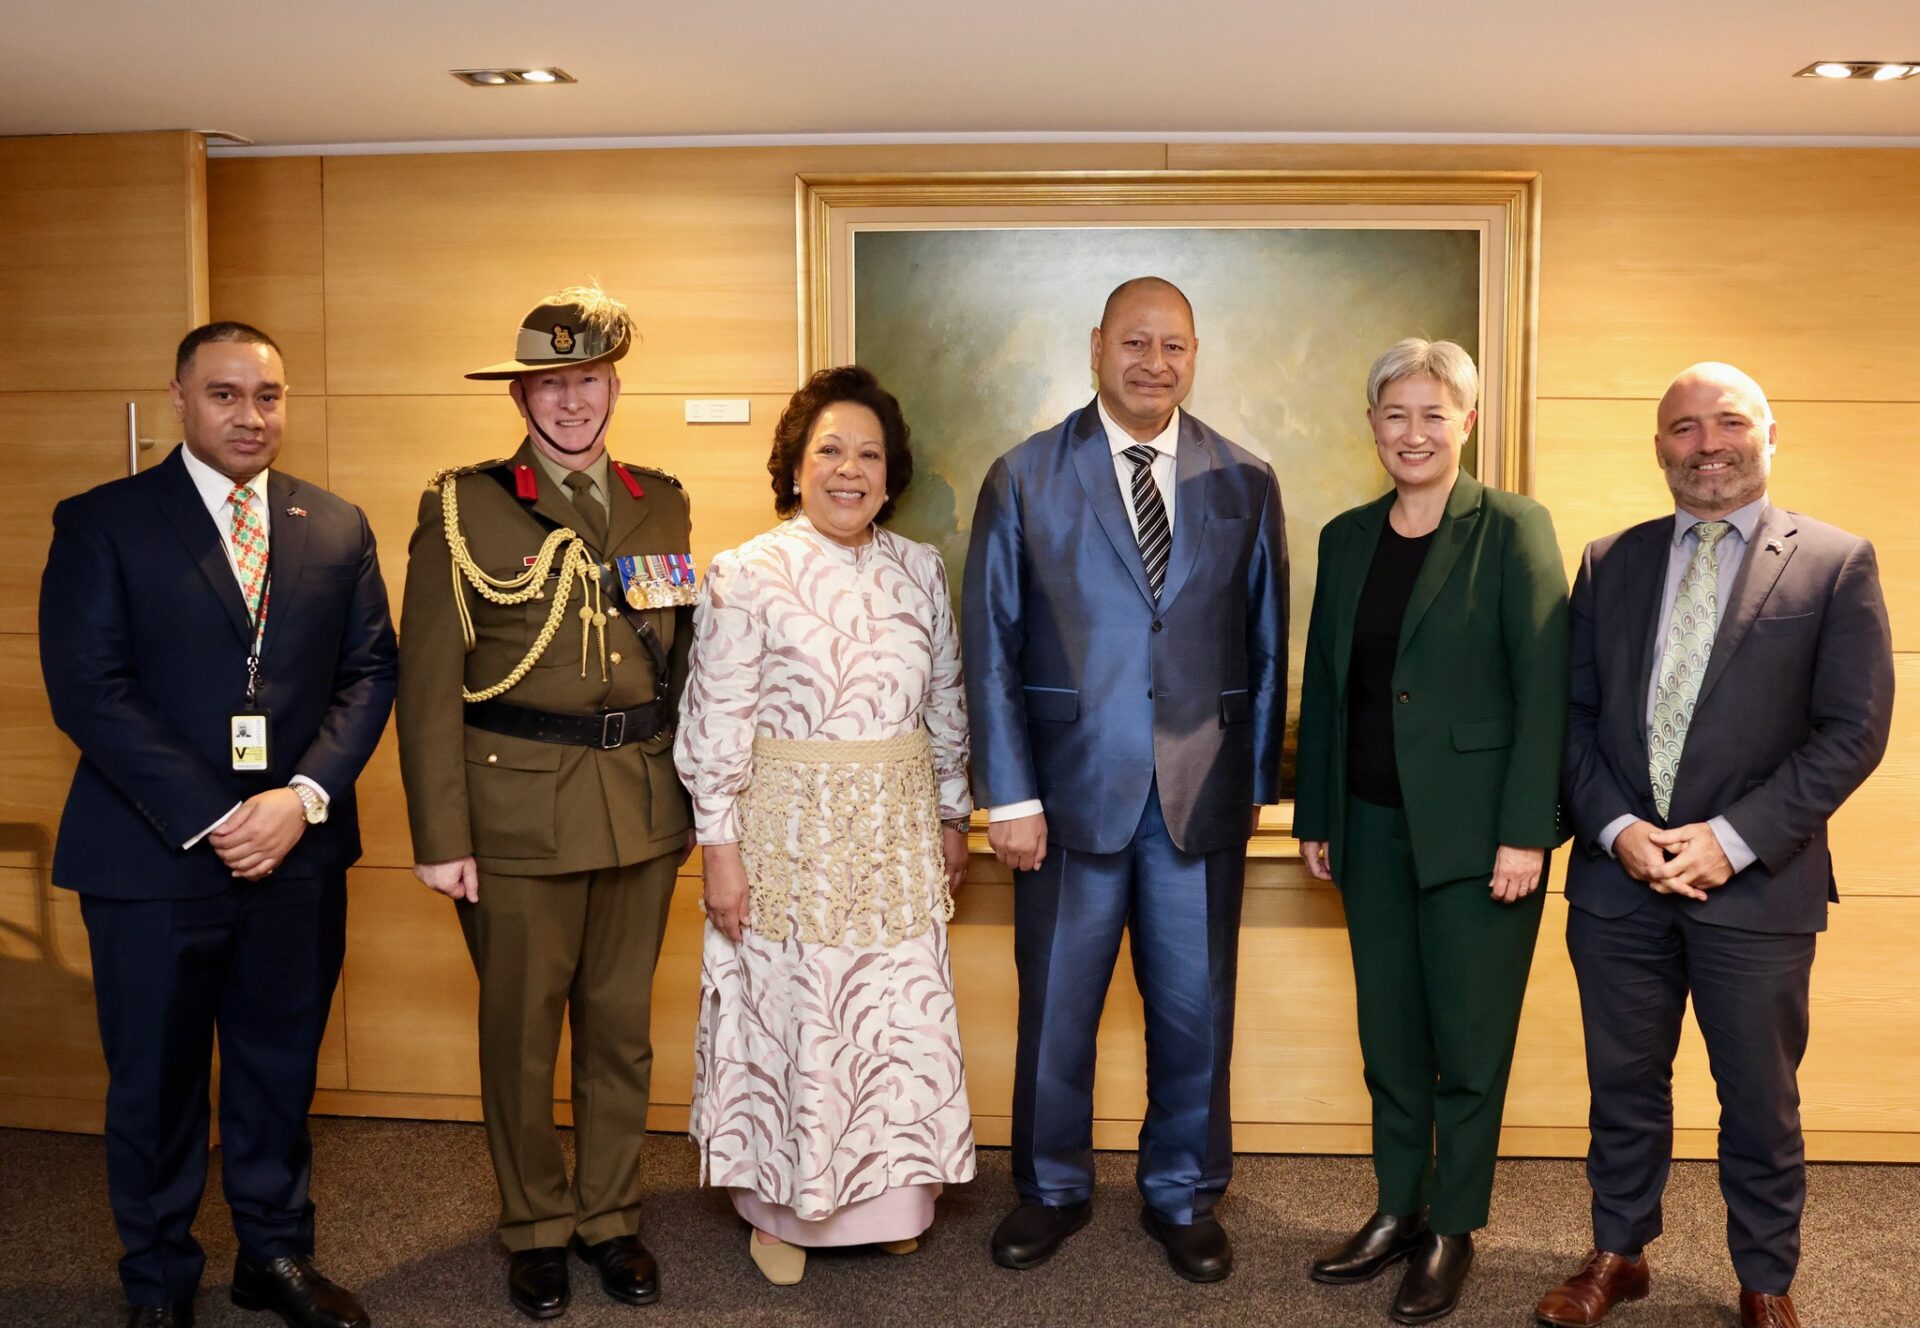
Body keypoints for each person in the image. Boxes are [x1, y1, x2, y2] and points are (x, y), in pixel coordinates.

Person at [39, 322, 396, 1328]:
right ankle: (157, 1278)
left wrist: (301, 797)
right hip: (152, 854)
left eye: (269, 394)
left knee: (279, 1063)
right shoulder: (103, 521)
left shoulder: (334, 524)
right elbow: (89, 689)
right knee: (155, 1080)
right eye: (228, 394)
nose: (252, 414)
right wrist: (218, 814)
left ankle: (273, 1254)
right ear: (180, 399)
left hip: (298, 850)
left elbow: (371, 671)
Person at [1536, 363, 1893, 1328]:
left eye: (1728, 423)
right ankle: (1619, 1253)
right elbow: (1569, 719)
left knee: (1760, 1099)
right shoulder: (1611, 560)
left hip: (1755, 886)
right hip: (1621, 882)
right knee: (1622, 1084)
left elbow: (1853, 732)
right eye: (1683, 428)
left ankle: (1765, 1279)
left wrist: (1732, 841)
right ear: (1660, 448)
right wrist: (1615, 830)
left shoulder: (1834, 561)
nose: (1706, 445)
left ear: (1770, 436)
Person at [962, 276, 1287, 1283]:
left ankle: (1184, 1191)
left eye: (1175, 346)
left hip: (1201, 799)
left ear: (1196, 354)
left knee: (1195, 1007)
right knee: (1057, 1005)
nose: (1155, 363)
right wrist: (1007, 795)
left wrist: (1258, 783)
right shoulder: (1023, 475)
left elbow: (1269, 640)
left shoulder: (1245, 477)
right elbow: (991, 643)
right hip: (1063, 802)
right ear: (1098, 345)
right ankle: (1052, 1186)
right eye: (1136, 343)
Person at [395, 286, 696, 1319]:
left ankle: (610, 1214)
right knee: (520, 1030)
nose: (574, 400)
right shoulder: (463, 504)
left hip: (642, 803)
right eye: (553, 382)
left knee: (620, 1028)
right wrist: (440, 835)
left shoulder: (664, 499)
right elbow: (427, 681)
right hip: (515, 808)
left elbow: (681, 659)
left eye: (591, 378)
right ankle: (533, 1225)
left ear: (614, 384)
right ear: (523, 392)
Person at [675, 364, 975, 1286]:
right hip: (787, 837)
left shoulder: (919, 569)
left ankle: (890, 1203)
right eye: (830, 451)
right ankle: (782, 1211)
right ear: (796, 466)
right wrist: (719, 849)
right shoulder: (746, 573)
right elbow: (713, 722)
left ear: (891, 475)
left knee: (889, 1020)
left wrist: (954, 811)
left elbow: (947, 701)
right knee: (799, 1020)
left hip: (894, 834)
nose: (850, 470)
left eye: (869, 454)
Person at [1292, 339, 1568, 1324]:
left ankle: (1454, 1224)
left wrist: (1527, 830)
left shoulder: (1514, 528)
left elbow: (1545, 689)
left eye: (1432, 413)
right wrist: (1316, 812)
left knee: (1469, 1042)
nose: (1413, 431)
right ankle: (1397, 1207)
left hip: (1479, 837)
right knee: (1391, 1038)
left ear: (1467, 423)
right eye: (1394, 413)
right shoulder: (1345, 535)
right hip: (1367, 826)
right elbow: (1331, 684)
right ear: (1372, 425)